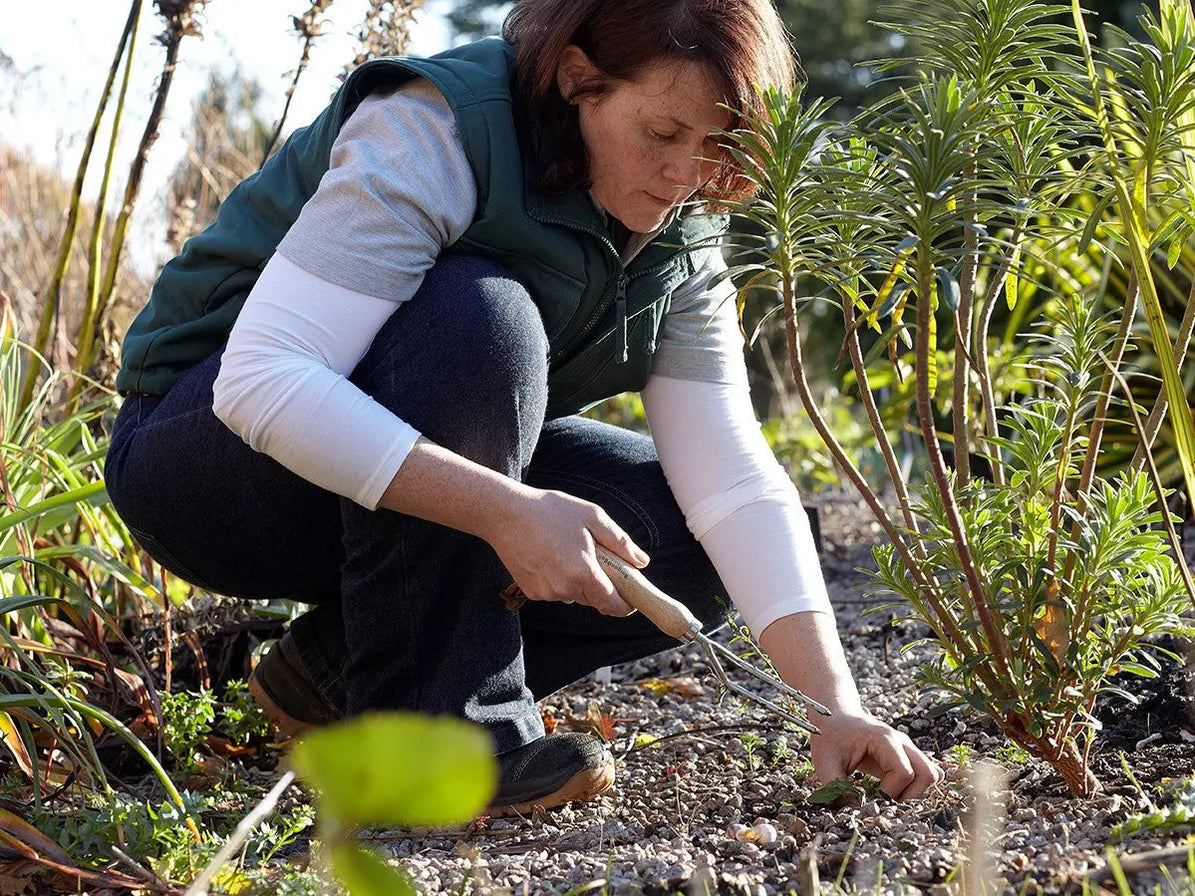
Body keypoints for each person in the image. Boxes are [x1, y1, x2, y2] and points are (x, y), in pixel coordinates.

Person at [105, 0, 942, 815]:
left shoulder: (682, 223)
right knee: (478, 316)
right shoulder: (432, 128)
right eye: (660, 134)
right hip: (204, 462)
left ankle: (332, 678)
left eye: (717, 143)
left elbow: (729, 478)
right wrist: (506, 512)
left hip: (393, 479)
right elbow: (264, 382)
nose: (689, 174)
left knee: (687, 537)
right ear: (579, 79)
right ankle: (437, 743)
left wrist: (834, 702)